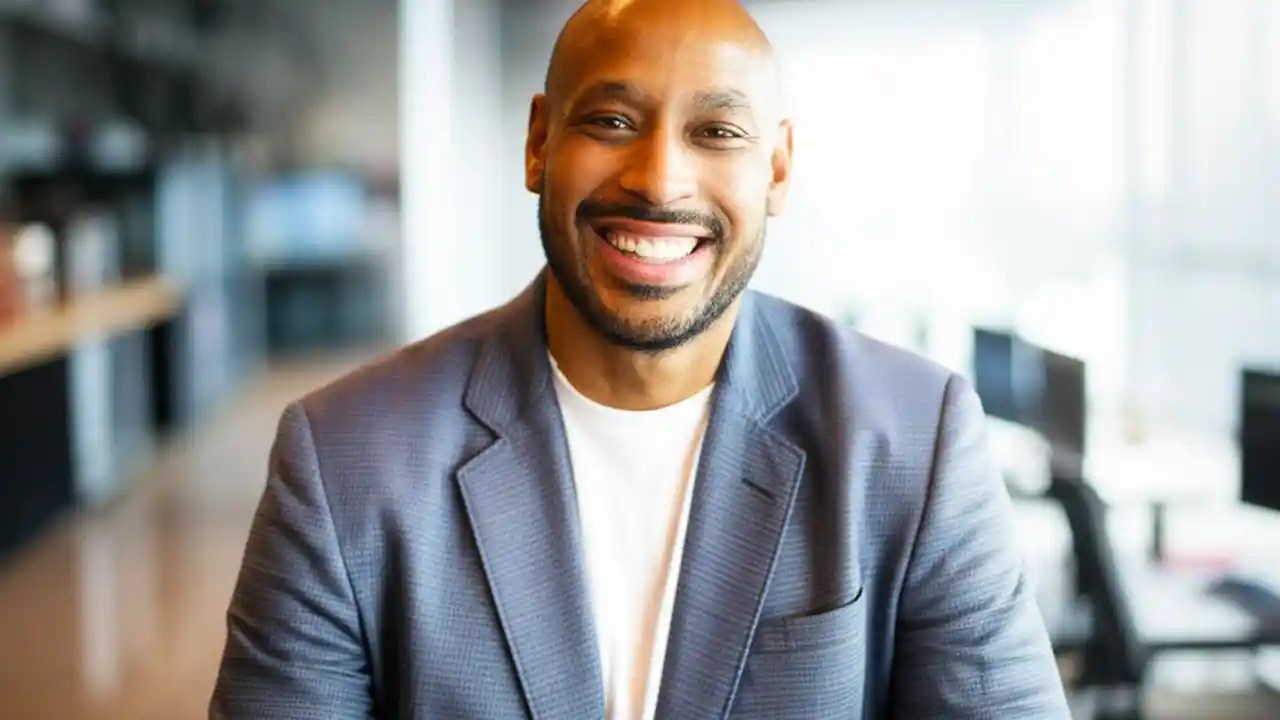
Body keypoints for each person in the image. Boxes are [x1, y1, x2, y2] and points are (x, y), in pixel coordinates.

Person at [210, 0, 1070, 717]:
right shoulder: (344, 458)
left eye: (717, 130)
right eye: (612, 120)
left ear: (777, 168)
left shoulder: (916, 440)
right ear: (539, 143)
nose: (660, 181)